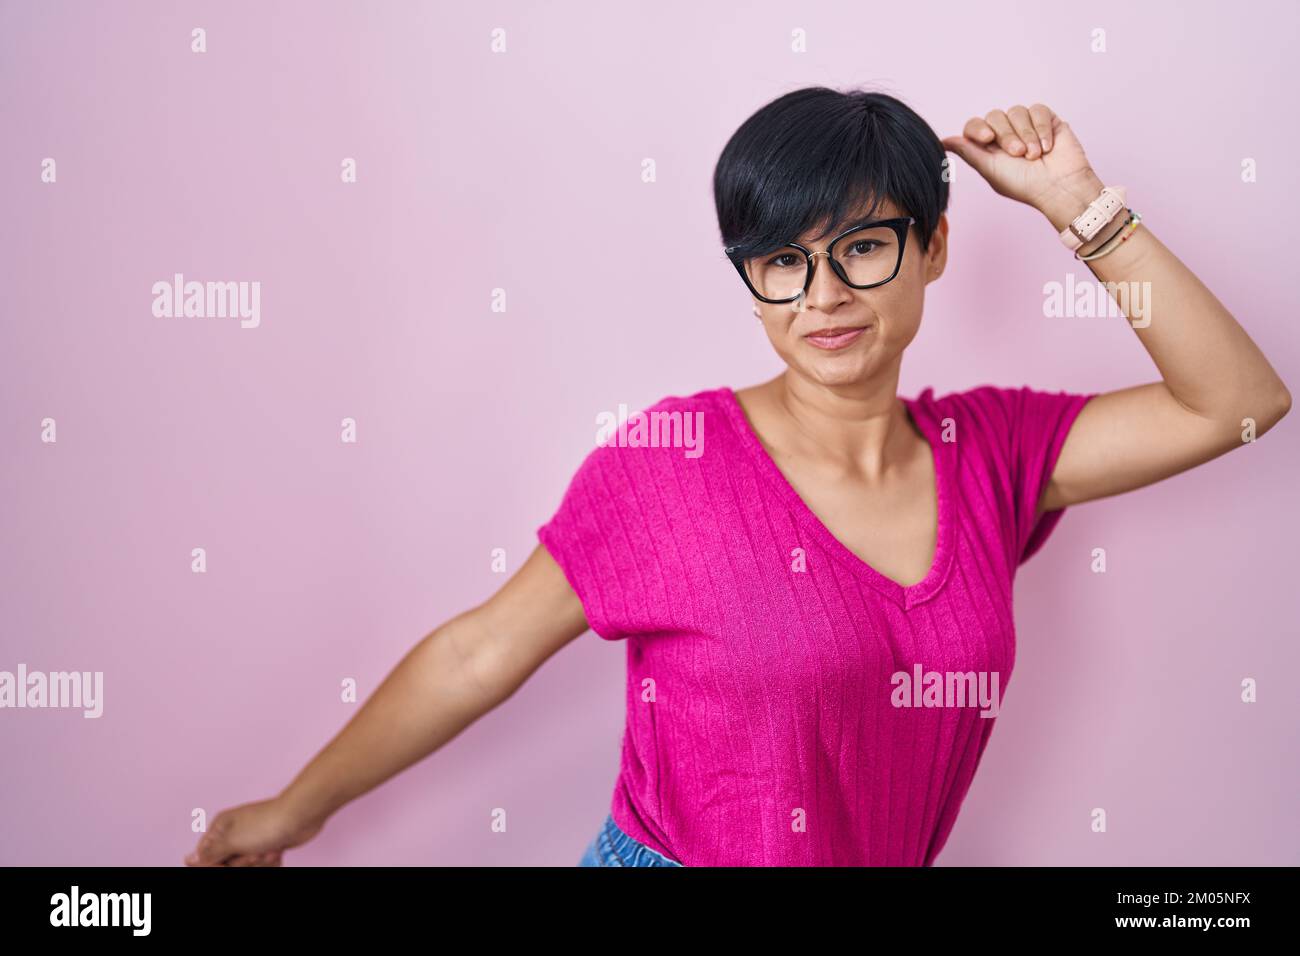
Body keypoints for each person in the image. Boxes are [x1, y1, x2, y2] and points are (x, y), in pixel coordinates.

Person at [184, 88, 1290, 868]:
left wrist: (1077, 202)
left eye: (861, 245)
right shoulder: (670, 465)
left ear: (934, 244)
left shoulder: (993, 454)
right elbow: (479, 650)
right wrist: (293, 808)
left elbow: (1236, 401)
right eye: (780, 262)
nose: (822, 295)